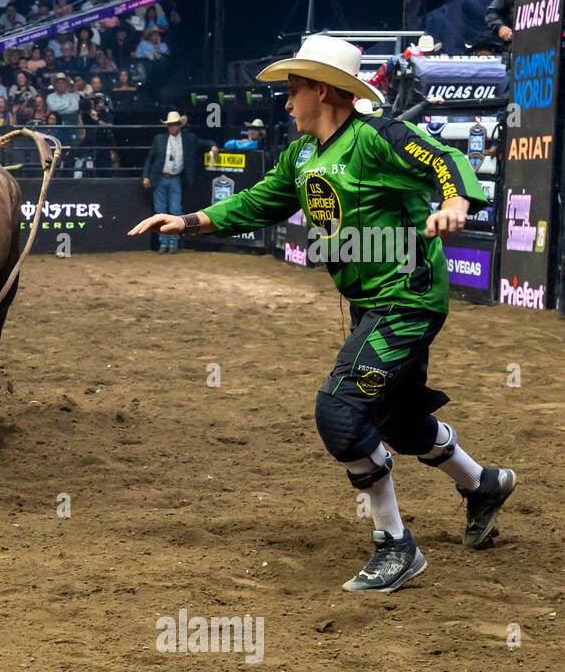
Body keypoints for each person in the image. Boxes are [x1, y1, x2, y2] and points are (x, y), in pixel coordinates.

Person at [128, 34, 514, 593]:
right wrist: (188, 222)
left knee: (339, 411)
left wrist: (455, 202)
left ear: (325, 91)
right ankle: (483, 485)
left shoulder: (375, 137)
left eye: (294, 89)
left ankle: (395, 544)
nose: (287, 102)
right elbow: (258, 201)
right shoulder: (303, 154)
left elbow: (446, 157)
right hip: (376, 302)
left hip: (404, 297)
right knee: (398, 421)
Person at [140, 110, 218, 252]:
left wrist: (212, 145)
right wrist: (146, 176)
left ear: (179, 125)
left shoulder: (189, 139)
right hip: (160, 178)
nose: (172, 127)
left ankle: (173, 243)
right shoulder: (159, 139)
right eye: (170, 124)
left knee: (175, 210)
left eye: (175, 124)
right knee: (160, 211)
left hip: (175, 178)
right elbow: (150, 158)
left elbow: (205, 142)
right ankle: (164, 243)